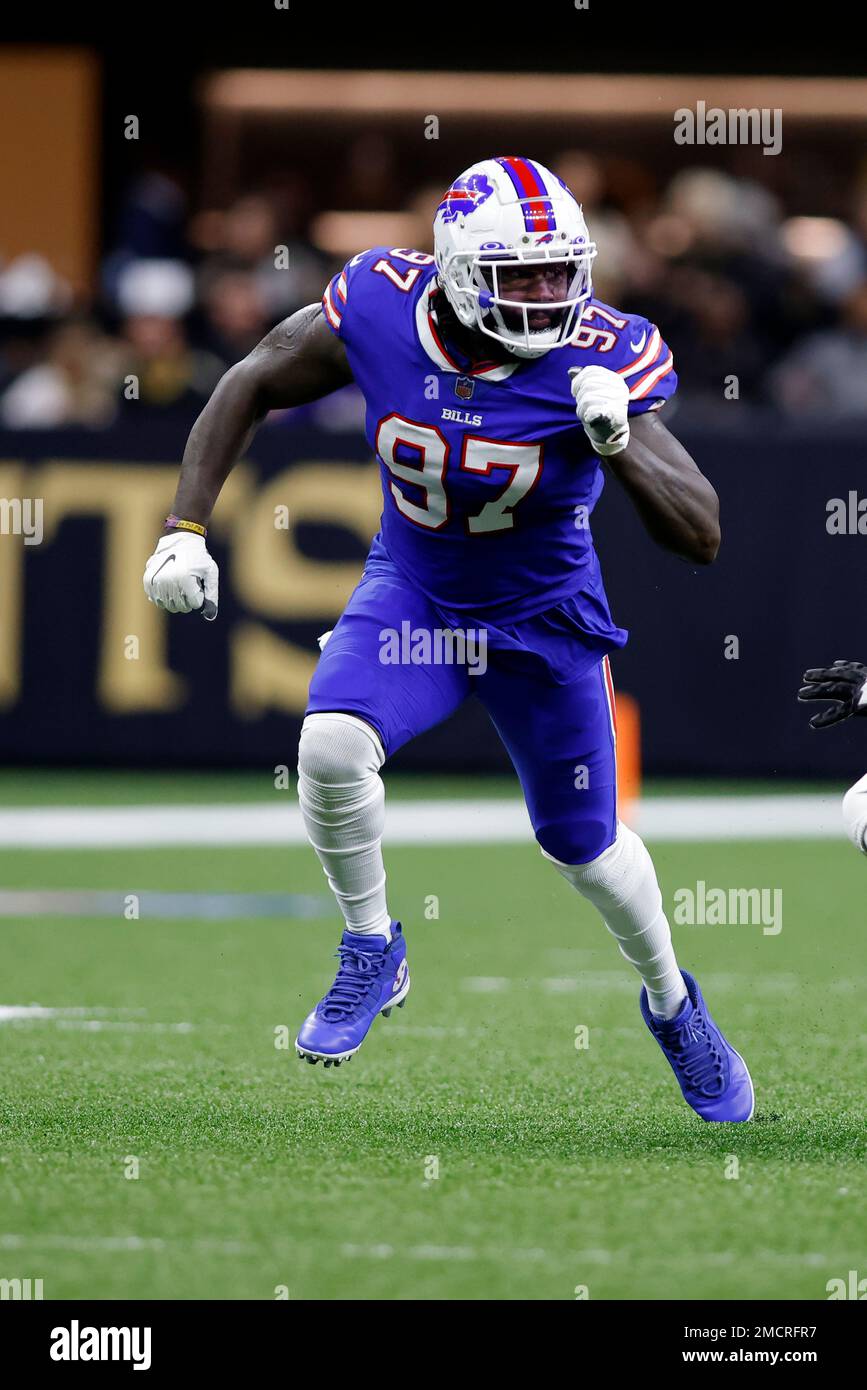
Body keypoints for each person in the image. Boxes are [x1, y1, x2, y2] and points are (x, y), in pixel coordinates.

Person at [143, 157, 754, 1122]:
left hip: (545, 621)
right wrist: (183, 526)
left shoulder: (601, 354)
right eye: (525, 275)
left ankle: (674, 1003)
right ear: (462, 271)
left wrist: (616, 439)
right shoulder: (383, 304)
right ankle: (371, 945)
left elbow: (703, 535)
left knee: (585, 852)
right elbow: (254, 379)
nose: (550, 294)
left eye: (563, 271)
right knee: (331, 744)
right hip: (418, 594)